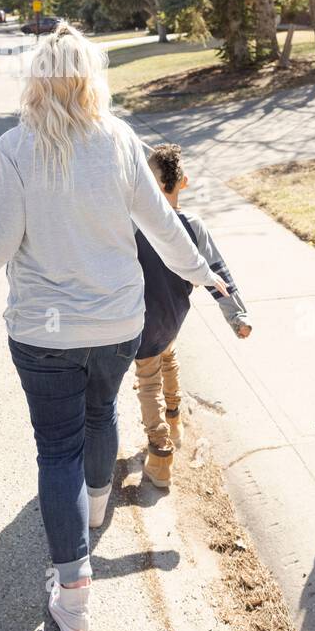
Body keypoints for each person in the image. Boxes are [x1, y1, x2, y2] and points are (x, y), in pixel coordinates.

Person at [0, 24, 228, 631]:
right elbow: (165, 228)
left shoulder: (15, 147)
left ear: (37, 83)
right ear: (91, 80)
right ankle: (96, 508)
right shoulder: (119, 141)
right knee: (100, 414)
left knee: (56, 448)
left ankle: (73, 592)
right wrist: (208, 276)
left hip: (43, 333)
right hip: (119, 323)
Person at [135, 143, 252, 489]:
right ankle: (174, 420)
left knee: (147, 381)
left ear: (147, 185)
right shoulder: (194, 225)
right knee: (168, 357)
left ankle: (160, 457)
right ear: (183, 182)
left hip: (142, 320)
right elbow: (219, 272)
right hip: (173, 317)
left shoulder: (137, 226)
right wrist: (238, 317)